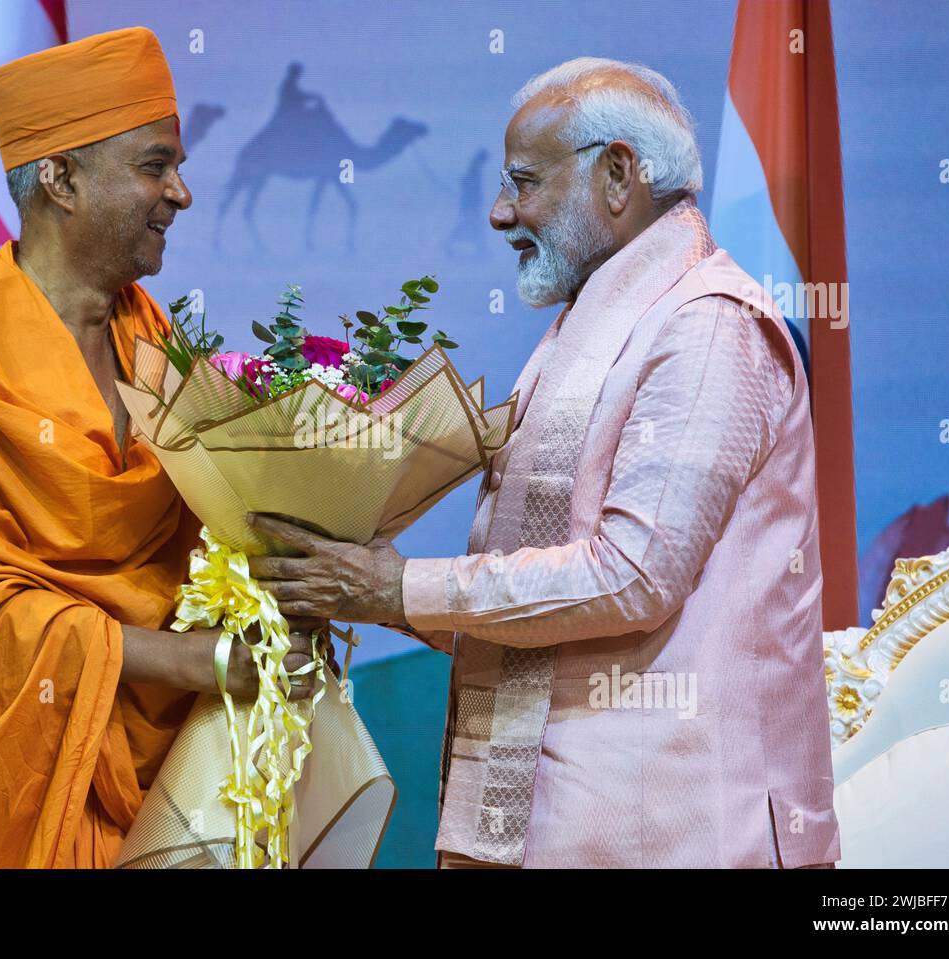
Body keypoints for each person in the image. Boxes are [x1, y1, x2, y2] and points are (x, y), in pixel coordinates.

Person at [249, 57, 839, 869]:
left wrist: (398, 586)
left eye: (524, 182)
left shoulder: (709, 327)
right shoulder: (590, 327)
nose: (500, 213)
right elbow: (542, 611)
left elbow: (633, 575)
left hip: (680, 834)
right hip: (572, 823)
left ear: (618, 174)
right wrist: (362, 586)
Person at [0, 27, 319, 868]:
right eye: (155, 166)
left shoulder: (158, 345)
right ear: (61, 180)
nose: (182, 193)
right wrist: (186, 659)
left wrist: (289, 589)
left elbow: (205, 548)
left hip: (160, 791)